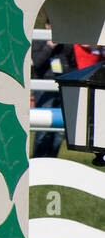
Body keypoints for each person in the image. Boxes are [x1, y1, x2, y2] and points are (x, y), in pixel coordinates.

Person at [31, 26, 76, 159]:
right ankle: (38, 160)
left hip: (62, 87)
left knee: (60, 133)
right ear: (46, 26)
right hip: (44, 88)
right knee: (43, 130)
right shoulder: (39, 39)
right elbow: (38, 62)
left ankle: (52, 161)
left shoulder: (67, 42)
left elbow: (71, 64)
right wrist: (49, 46)